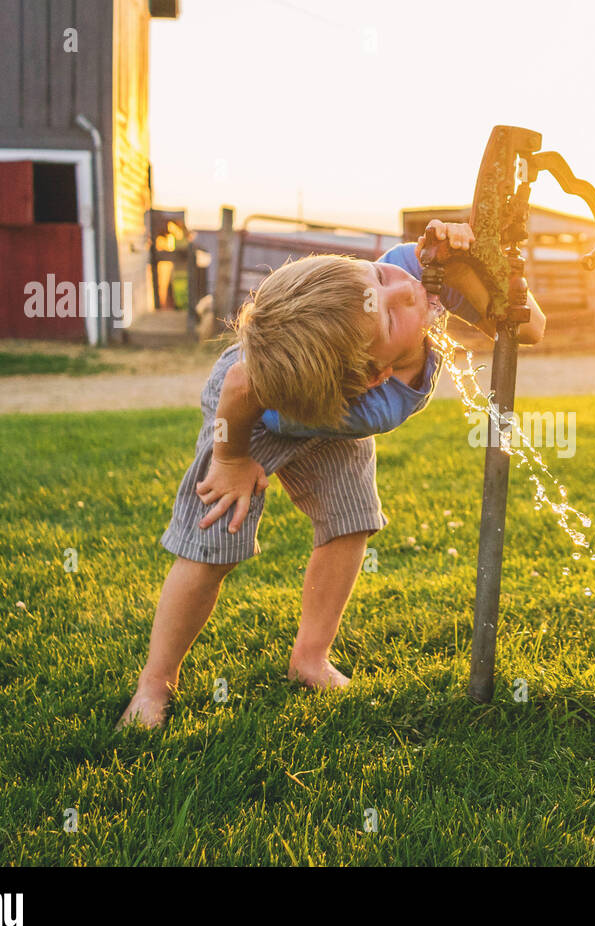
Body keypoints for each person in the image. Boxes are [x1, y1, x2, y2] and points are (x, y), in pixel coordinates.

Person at [117, 220, 546, 728]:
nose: (406, 291)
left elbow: (528, 327)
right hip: (250, 414)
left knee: (351, 520)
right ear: (372, 376)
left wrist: (471, 261)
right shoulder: (316, 389)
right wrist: (231, 461)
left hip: (329, 410)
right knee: (213, 538)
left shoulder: (409, 272)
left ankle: (309, 659)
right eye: (389, 314)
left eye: (381, 279)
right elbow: (240, 384)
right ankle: (154, 685)